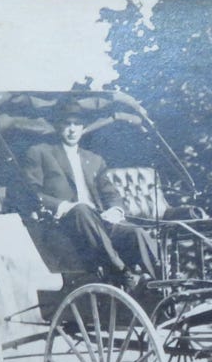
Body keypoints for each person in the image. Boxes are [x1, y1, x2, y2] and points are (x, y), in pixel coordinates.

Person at [20, 104, 160, 287]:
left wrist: (115, 210)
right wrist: (62, 206)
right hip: (64, 225)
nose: (72, 129)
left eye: (77, 124)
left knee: (136, 233)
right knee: (81, 209)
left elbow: (111, 194)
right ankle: (120, 271)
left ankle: (164, 282)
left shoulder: (94, 159)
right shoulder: (40, 152)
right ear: (58, 126)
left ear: (83, 128)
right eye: (67, 124)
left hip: (98, 222)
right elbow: (31, 192)